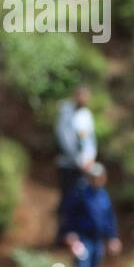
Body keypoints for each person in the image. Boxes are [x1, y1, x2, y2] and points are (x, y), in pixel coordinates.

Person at [59, 162, 121, 267]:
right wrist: (70, 233)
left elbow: (109, 217)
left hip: (98, 240)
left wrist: (113, 237)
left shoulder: (103, 195)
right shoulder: (79, 194)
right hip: (83, 239)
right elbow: (70, 215)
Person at [55, 84, 97, 241]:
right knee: (68, 198)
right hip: (69, 165)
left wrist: (90, 158)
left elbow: (90, 139)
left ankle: (78, 232)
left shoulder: (86, 114)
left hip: (85, 165)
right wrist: (79, 161)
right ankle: (63, 233)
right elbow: (66, 139)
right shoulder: (67, 113)